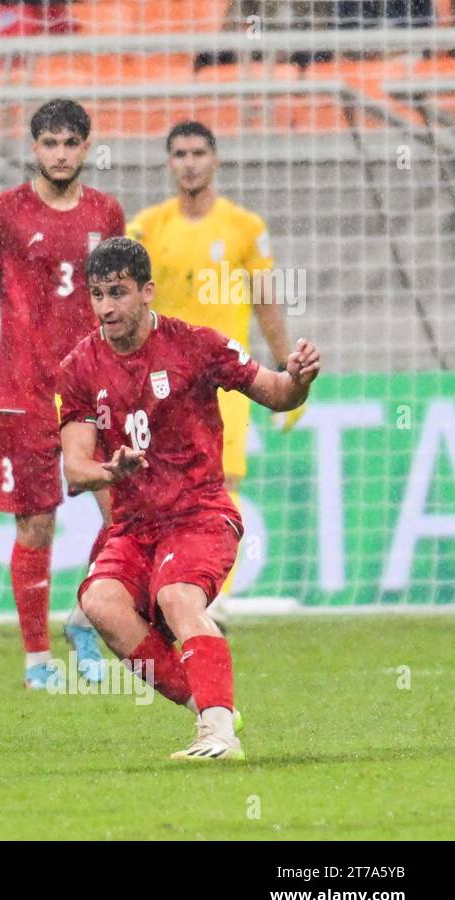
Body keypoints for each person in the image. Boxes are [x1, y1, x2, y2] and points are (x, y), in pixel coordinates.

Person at [58, 237, 320, 760]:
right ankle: (210, 705)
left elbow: (276, 393)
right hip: (134, 527)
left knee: (177, 596)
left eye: (118, 293)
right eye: (96, 295)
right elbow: (75, 468)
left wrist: (300, 380)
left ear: (147, 292)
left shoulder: (195, 346)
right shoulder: (80, 366)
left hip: (200, 516)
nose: (106, 307)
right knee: (99, 603)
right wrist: (111, 469)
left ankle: (221, 734)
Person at [0, 98, 124, 690]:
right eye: (49, 143)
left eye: (70, 143)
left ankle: (83, 619)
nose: (60, 154)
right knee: (35, 527)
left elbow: (121, 304)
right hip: (22, 394)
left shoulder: (107, 212)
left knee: (123, 515)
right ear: (35, 148)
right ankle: (35, 662)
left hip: (93, 392)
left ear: (86, 147)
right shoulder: (2, 212)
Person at [126, 121, 300, 621]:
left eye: (198, 152)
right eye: (179, 153)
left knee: (223, 483)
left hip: (226, 378)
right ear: (168, 163)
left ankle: (210, 594)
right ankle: (162, 587)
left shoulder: (244, 227)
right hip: (161, 383)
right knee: (156, 487)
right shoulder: (147, 228)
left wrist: (286, 371)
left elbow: (266, 301)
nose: (189, 162)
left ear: (215, 159)